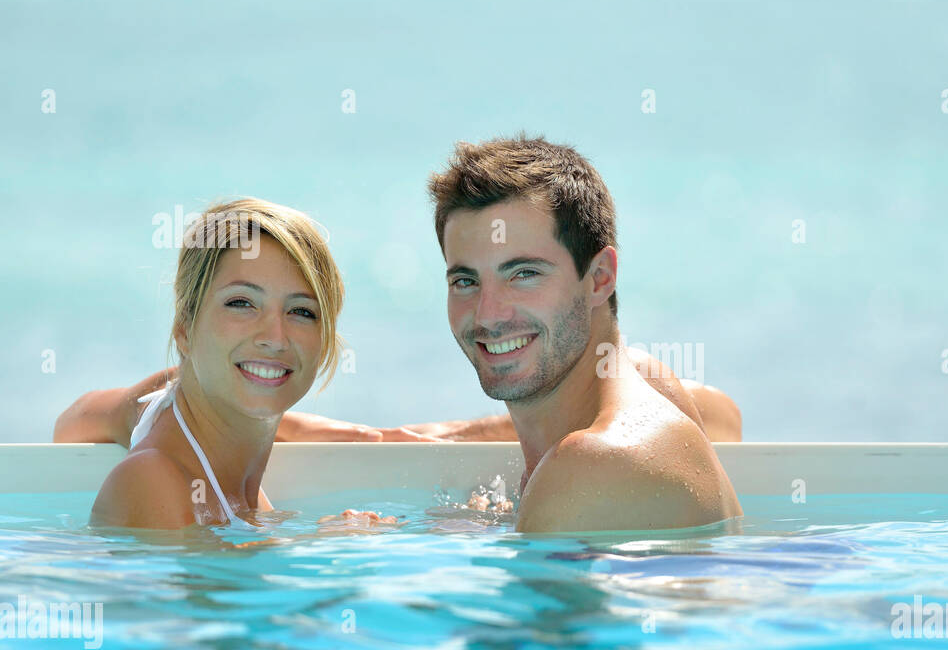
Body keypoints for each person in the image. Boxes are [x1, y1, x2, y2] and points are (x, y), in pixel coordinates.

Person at [428, 134, 742, 532]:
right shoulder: (645, 384)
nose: (488, 315)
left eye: (524, 274)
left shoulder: (588, 466)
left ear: (599, 278)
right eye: (465, 281)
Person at [84, 197, 393, 530]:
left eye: (301, 311)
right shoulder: (155, 482)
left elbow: (73, 420)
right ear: (184, 329)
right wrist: (328, 550)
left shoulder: (222, 481)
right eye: (242, 303)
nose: (275, 337)